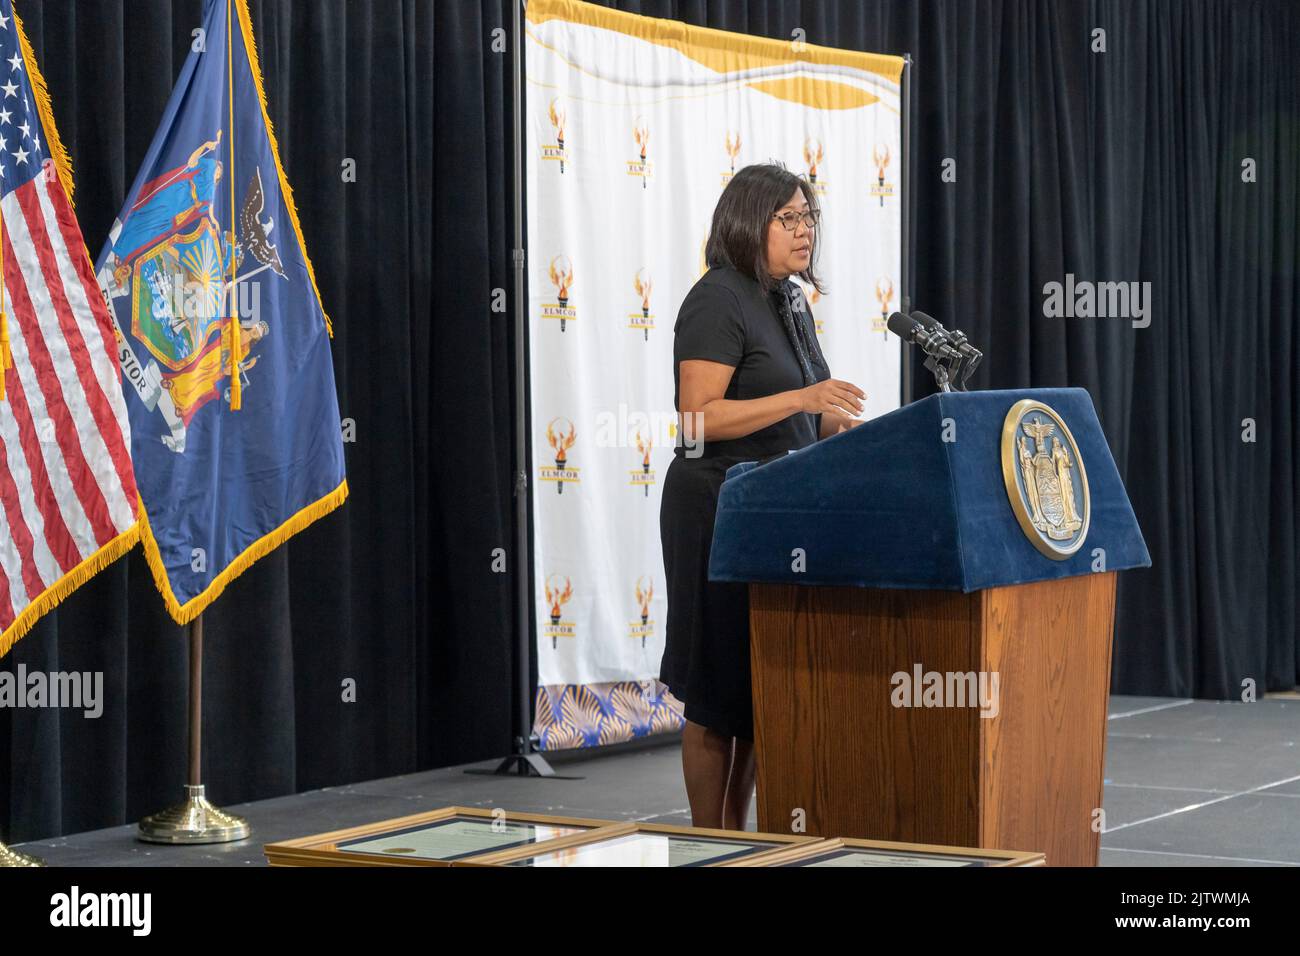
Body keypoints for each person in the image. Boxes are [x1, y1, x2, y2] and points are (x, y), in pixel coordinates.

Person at [658, 162, 866, 830]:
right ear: (752, 221)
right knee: (716, 692)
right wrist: (805, 398)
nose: (806, 231)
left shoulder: (789, 301)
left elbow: (809, 415)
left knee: (754, 692)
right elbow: (697, 419)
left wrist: (874, 432)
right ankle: (704, 842)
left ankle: (737, 840)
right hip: (716, 506)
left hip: (773, 509)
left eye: (810, 217)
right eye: (791, 219)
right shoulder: (718, 298)